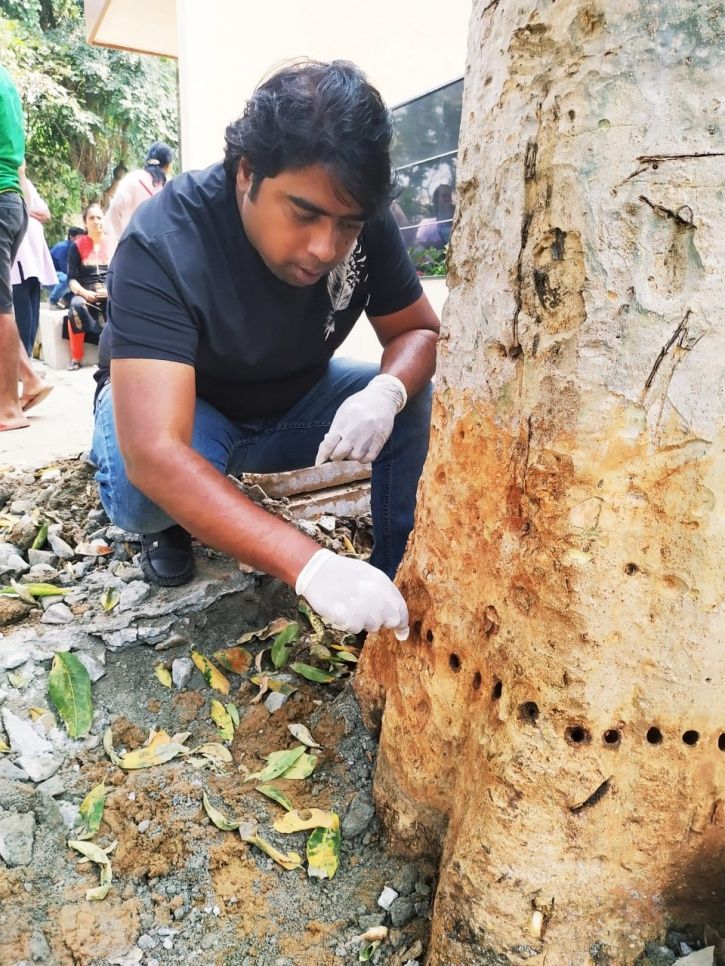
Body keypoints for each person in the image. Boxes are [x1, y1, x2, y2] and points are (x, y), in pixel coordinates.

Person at [90, 60, 439, 638]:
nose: (326, 246)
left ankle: (396, 577)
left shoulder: (358, 214)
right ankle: (167, 507)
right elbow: (156, 449)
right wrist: (311, 564)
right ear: (247, 172)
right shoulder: (166, 239)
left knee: (413, 397)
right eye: (304, 214)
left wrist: (387, 391)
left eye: (347, 226)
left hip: (293, 401)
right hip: (190, 409)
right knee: (141, 491)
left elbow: (418, 332)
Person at [0, 66, 52, 431]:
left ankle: (7, 409)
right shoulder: (6, 81)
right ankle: (29, 379)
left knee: (0, 310)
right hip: (12, 201)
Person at [11, 176, 57, 355]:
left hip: (35, 260)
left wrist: (25, 208)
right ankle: (23, 365)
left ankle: (27, 360)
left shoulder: (26, 183)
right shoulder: (7, 182)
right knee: (23, 315)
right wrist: (27, 209)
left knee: (33, 312)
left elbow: (46, 214)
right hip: (18, 261)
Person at [104, 142, 173, 257]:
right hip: (157, 252)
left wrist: (121, 237)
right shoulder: (168, 185)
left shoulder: (132, 178)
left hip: (128, 250)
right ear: (168, 165)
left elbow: (115, 207)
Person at [65, 203, 110, 370]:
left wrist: (111, 291)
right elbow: (71, 279)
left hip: (109, 292)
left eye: (99, 217)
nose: (96, 221)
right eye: (92, 218)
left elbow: (121, 273)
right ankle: (76, 357)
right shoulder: (77, 246)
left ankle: (110, 356)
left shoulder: (113, 244)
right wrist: (84, 292)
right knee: (76, 307)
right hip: (85, 293)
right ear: (85, 222)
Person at [49, 226, 86, 307]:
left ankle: (65, 300)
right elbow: (66, 270)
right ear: (71, 237)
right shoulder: (63, 247)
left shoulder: (76, 248)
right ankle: (53, 300)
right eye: (80, 238)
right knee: (67, 280)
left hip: (58, 275)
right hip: (48, 275)